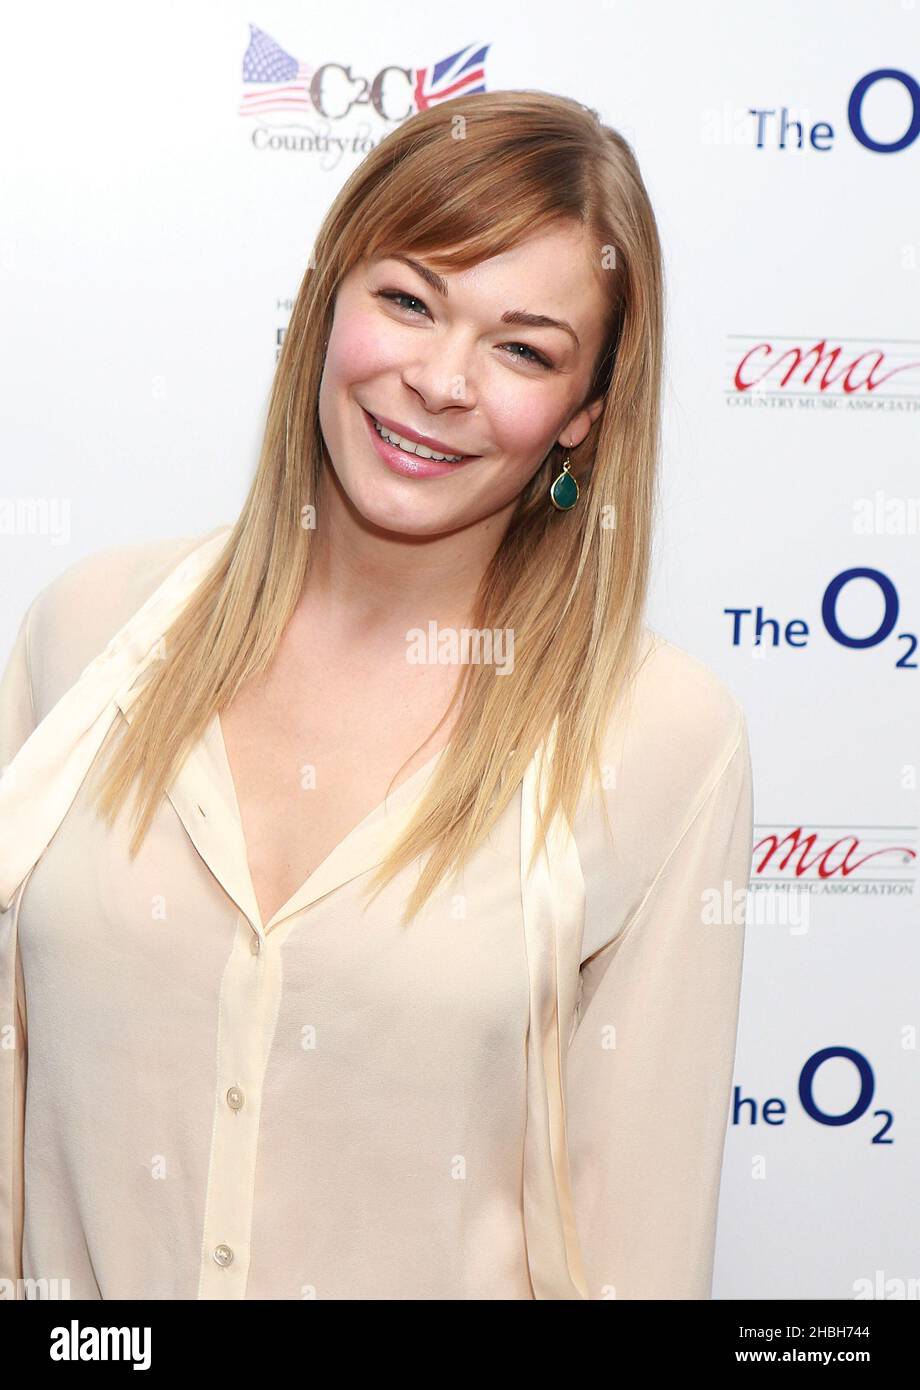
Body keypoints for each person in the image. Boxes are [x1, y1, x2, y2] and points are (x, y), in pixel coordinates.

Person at [0, 89, 753, 1301]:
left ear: (581, 418)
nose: (440, 380)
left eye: (521, 348)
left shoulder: (659, 737)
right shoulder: (85, 634)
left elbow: (638, 1255)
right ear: (320, 310)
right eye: (407, 300)